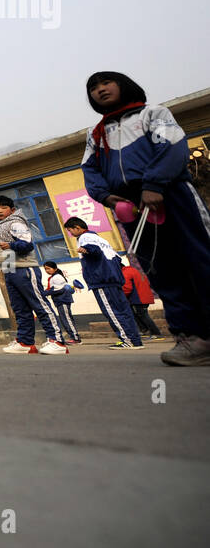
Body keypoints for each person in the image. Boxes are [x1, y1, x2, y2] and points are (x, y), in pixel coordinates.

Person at [82, 71, 210, 366]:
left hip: (171, 195)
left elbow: (172, 148)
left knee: (199, 259)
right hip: (131, 206)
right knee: (161, 270)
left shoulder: (153, 114)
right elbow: (90, 170)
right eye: (93, 88)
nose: (100, 90)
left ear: (123, 85)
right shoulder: (96, 134)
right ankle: (191, 338)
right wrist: (106, 197)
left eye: (106, 83)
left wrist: (154, 184)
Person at [0, 195, 65, 354]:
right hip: (8, 267)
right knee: (20, 308)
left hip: (24, 268)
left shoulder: (16, 222)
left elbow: (27, 245)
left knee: (39, 304)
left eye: (3, 207)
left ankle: (57, 341)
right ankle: (25, 342)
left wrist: (11, 245)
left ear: (11, 210)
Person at [63, 217, 145, 348]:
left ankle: (127, 340)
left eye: (70, 230)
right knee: (124, 311)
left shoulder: (84, 238)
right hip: (114, 279)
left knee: (112, 311)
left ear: (78, 227)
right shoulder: (102, 239)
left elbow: (93, 249)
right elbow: (118, 260)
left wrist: (86, 249)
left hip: (102, 280)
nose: (71, 233)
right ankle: (135, 340)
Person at [120, 260, 163, 341]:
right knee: (136, 314)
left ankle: (156, 333)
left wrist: (121, 297)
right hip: (142, 296)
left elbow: (127, 288)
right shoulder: (134, 270)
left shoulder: (126, 272)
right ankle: (144, 330)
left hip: (139, 298)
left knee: (143, 315)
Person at [42, 261, 80, 344]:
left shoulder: (57, 277)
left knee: (67, 319)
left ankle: (76, 338)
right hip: (60, 301)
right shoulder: (53, 277)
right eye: (45, 269)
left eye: (49, 268)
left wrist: (44, 293)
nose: (47, 270)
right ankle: (73, 337)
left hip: (63, 300)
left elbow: (58, 289)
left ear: (55, 268)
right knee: (65, 319)